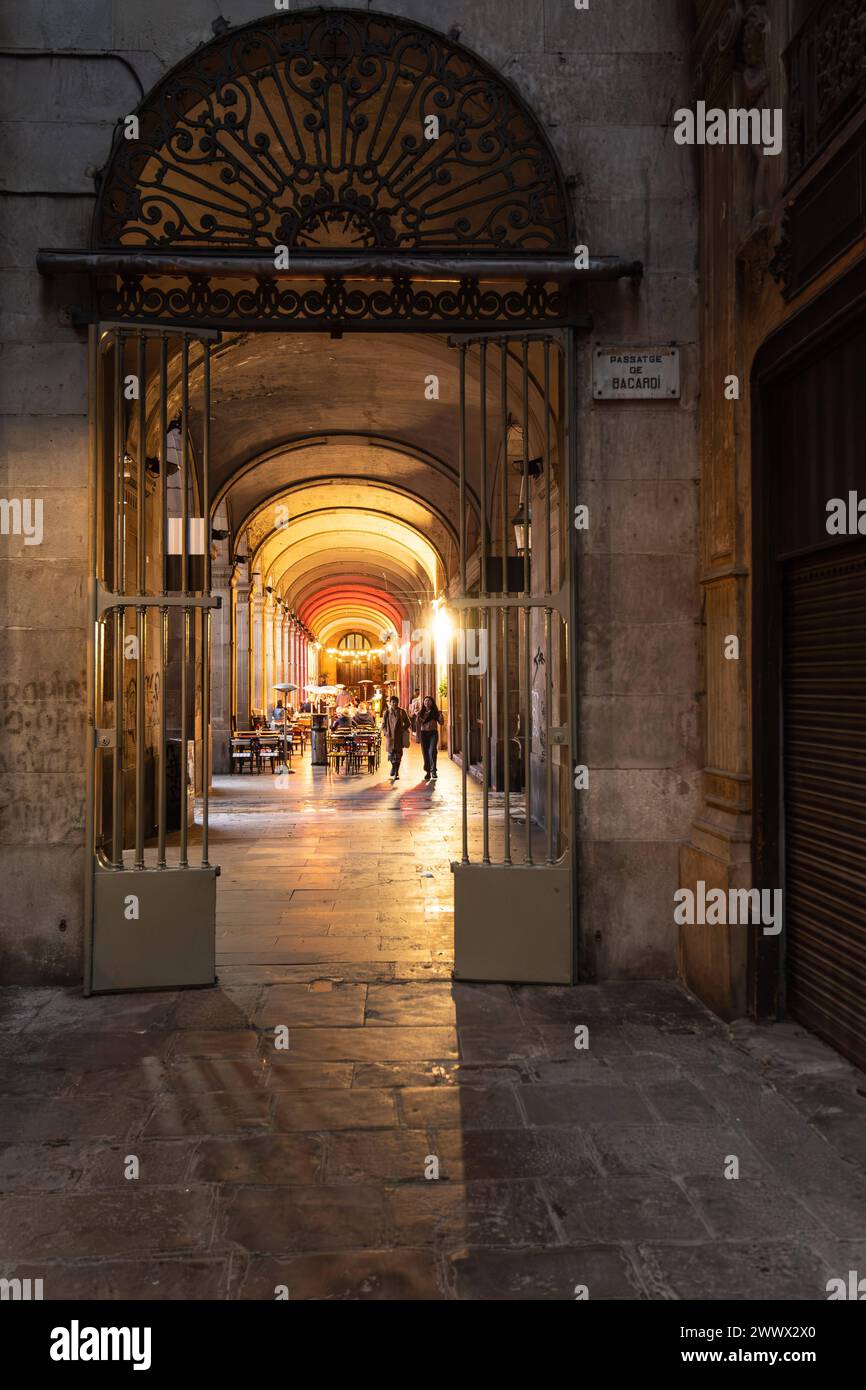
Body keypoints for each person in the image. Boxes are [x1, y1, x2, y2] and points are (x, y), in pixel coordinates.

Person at [381, 694, 410, 782]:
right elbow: (383, 725)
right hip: (390, 737)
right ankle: (393, 767)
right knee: (391, 755)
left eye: (396, 702)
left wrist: (403, 729)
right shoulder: (386, 712)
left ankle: (397, 772)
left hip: (399, 737)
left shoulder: (402, 712)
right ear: (390, 703)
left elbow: (408, 723)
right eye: (393, 702)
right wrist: (386, 732)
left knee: (398, 755)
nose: (394, 704)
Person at [418, 695, 444, 781]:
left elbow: (441, 723)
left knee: (432, 751)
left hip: (433, 733)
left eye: (429, 701)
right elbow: (417, 725)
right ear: (423, 703)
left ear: (432, 703)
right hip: (423, 734)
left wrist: (440, 715)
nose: (427, 702)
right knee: (425, 753)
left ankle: (434, 771)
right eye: (425, 701)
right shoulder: (420, 713)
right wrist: (418, 736)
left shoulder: (435, 712)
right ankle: (428, 772)